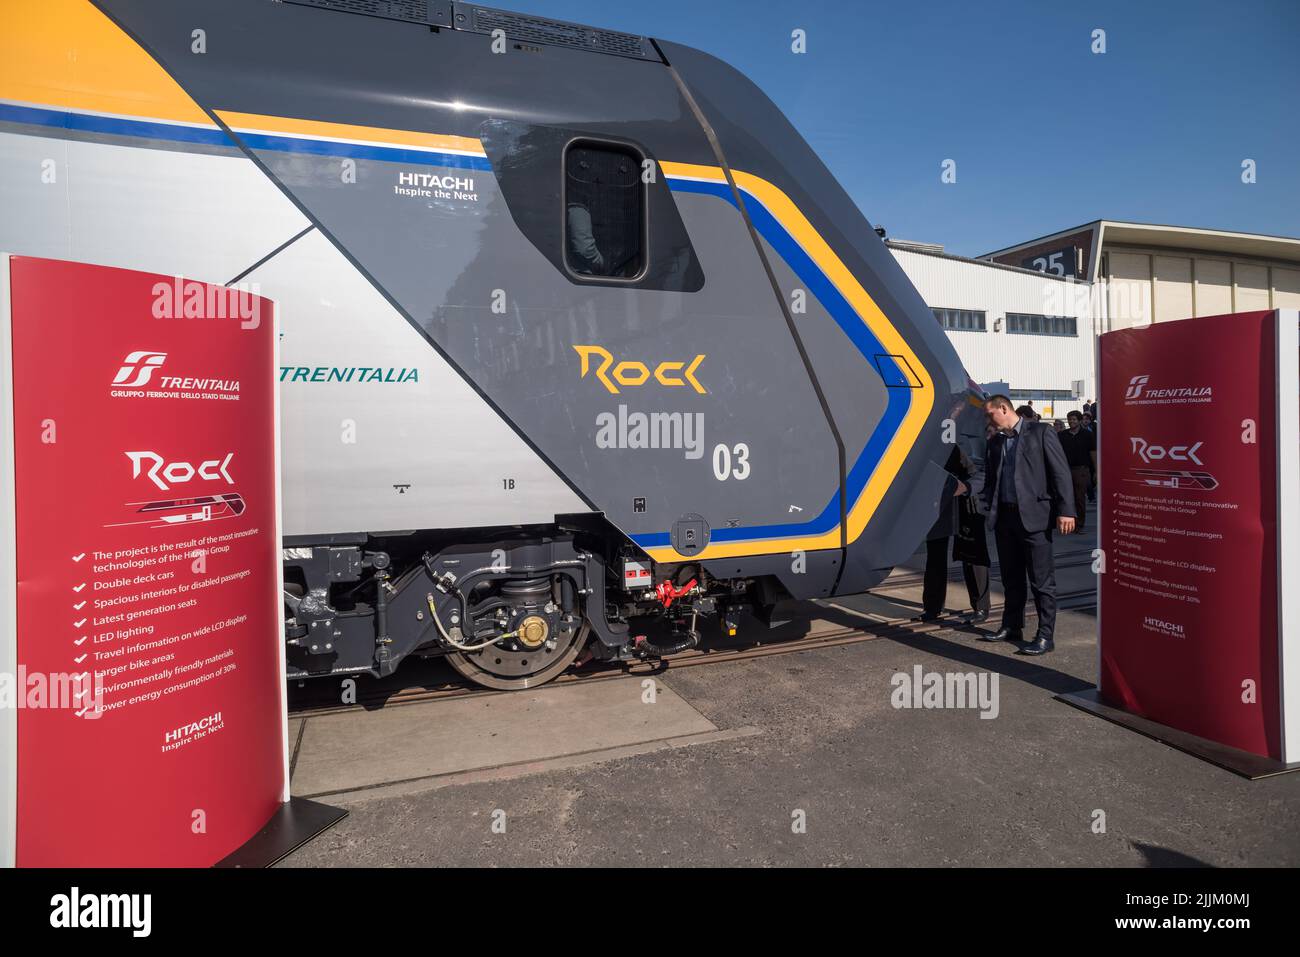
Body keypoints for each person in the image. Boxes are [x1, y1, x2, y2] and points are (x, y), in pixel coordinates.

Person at [978, 395, 1076, 655]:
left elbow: (1060, 472)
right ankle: (1012, 625)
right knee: (1011, 578)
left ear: (1003, 408)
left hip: (1035, 519)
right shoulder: (995, 442)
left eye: (990, 415)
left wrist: (1067, 511)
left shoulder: (1040, 432)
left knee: (1041, 581)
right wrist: (986, 503)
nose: (987, 420)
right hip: (1006, 519)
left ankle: (1045, 635)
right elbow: (990, 477)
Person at [915, 446, 990, 623]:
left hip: (964, 502)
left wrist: (965, 487)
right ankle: (932, 607)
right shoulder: (931, 441)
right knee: (935, 556)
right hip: (937, 502)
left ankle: (980, 607)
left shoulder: (952, 443)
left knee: (972, 556)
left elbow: (974, 471)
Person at [1056, 411, 1096, 533]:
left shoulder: (1087, 435)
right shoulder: (1062, 435)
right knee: (1066, 498)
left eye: (1074, 419)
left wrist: (1096, 471)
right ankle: (1068, 523)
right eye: (1070, 419)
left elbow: (1093, 453)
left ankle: (1079, 525)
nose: (1071, 421)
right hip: (1065, 470)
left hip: (1081, 470)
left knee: (1079, 498)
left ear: (1079, 421)